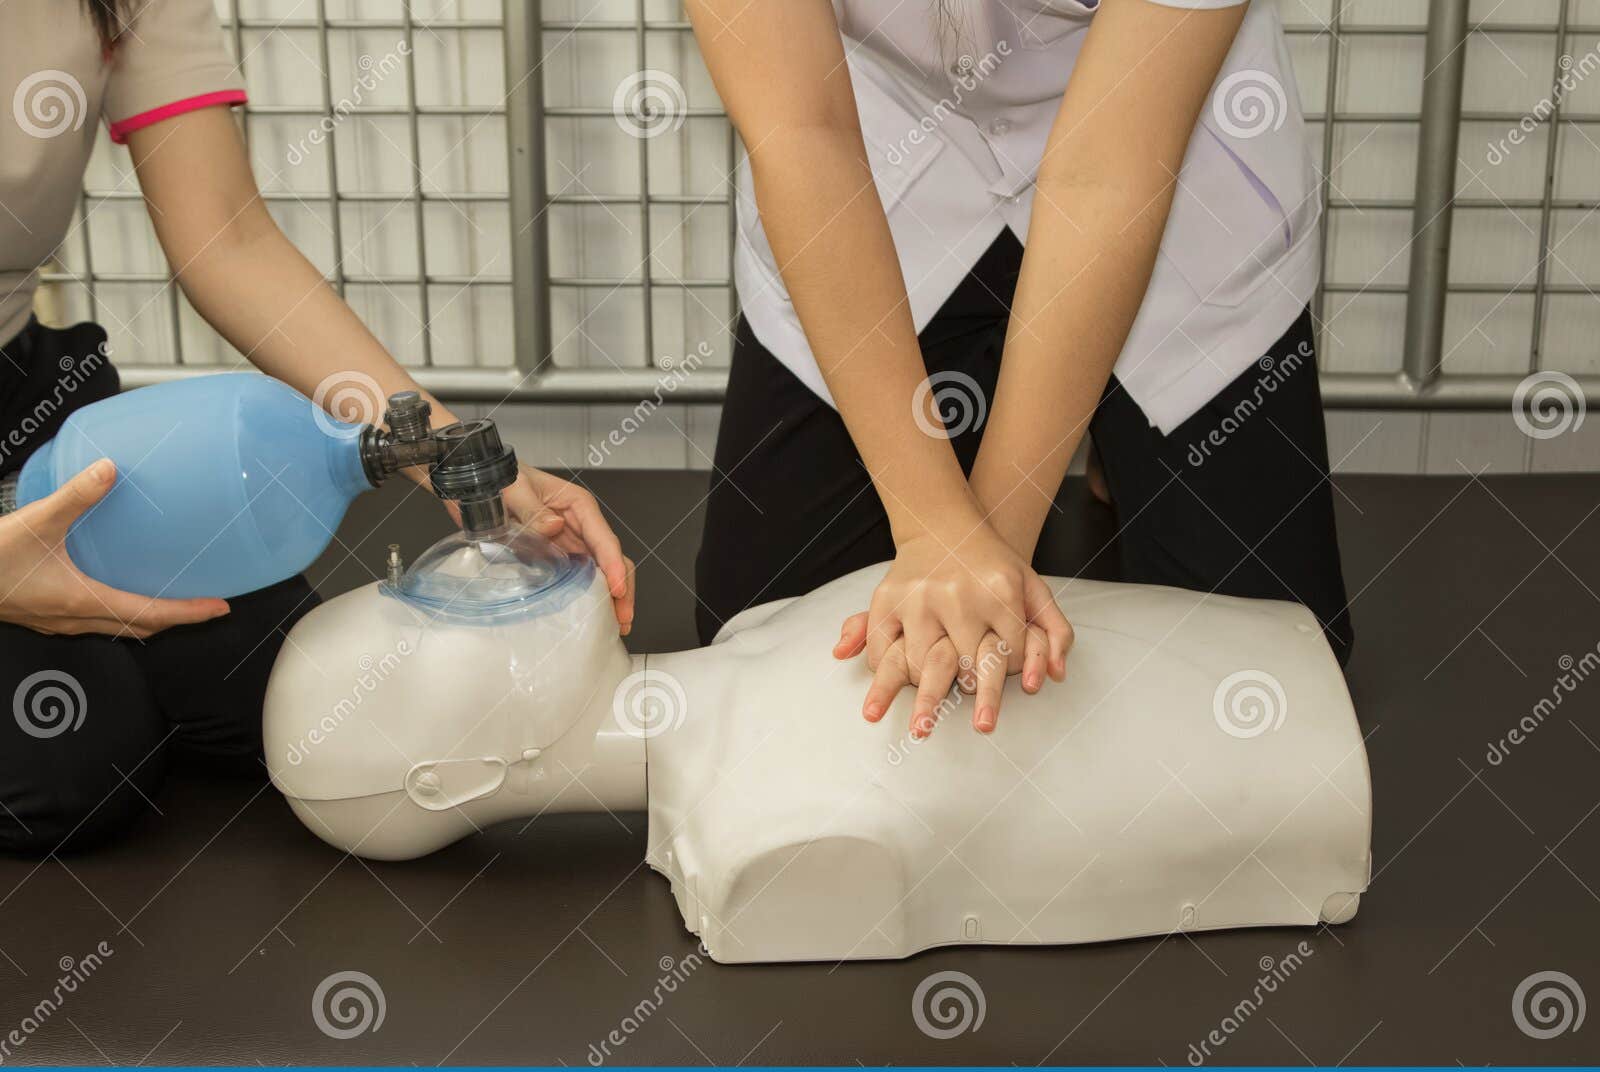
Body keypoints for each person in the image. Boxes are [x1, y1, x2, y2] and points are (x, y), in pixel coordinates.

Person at [0, 0, 633, 855]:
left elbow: (227, 239)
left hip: (28, 409)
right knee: (71, 767)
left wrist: (455, 457)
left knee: (285, 687)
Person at [686, 0, 1354, 738]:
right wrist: (934, 526)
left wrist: (985, 567)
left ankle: (1112, 430)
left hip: (1161, 147)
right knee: (759, 647)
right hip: (888, 133)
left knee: (1278, 683)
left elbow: (1106, 173)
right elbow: (805, 135)